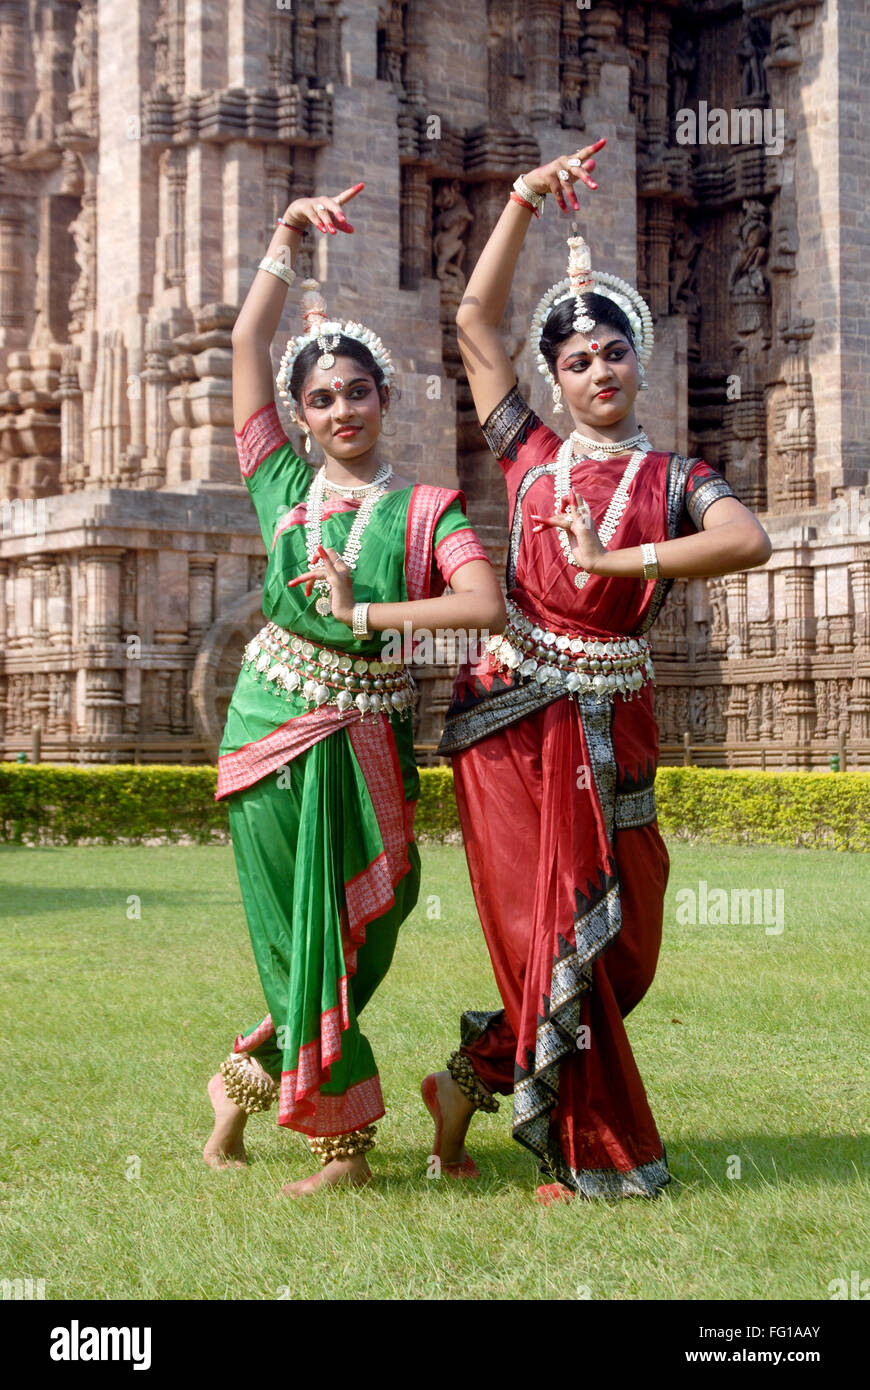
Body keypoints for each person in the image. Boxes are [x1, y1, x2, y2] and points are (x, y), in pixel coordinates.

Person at [423, 140, 772, 1203]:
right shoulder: (529, 455)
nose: (598, 371)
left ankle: (472, 1079)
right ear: (556, 376)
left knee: (623, 952)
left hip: (619, 711)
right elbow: (476, 326)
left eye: (613, 354)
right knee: (553, 931)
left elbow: (747, 538)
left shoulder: (675, 477)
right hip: (516, 717)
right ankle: (583, 1153)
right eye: (576, 360)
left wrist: (615, 558)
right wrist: (523, 200)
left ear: (640, 360)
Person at [203, 182, 505, 1197]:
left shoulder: (425, 510)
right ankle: (346, 1146)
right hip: (269, 727)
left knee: (367, 925)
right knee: (298, 933)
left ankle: (243, 1077)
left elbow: (483, 603)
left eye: (357, 392)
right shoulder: (279, 486)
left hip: (371, 734)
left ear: (386, 397)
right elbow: (247, 347)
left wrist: (368, 615)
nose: (340, 409)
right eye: (321, 398)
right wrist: (283, 241)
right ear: (301, 414)